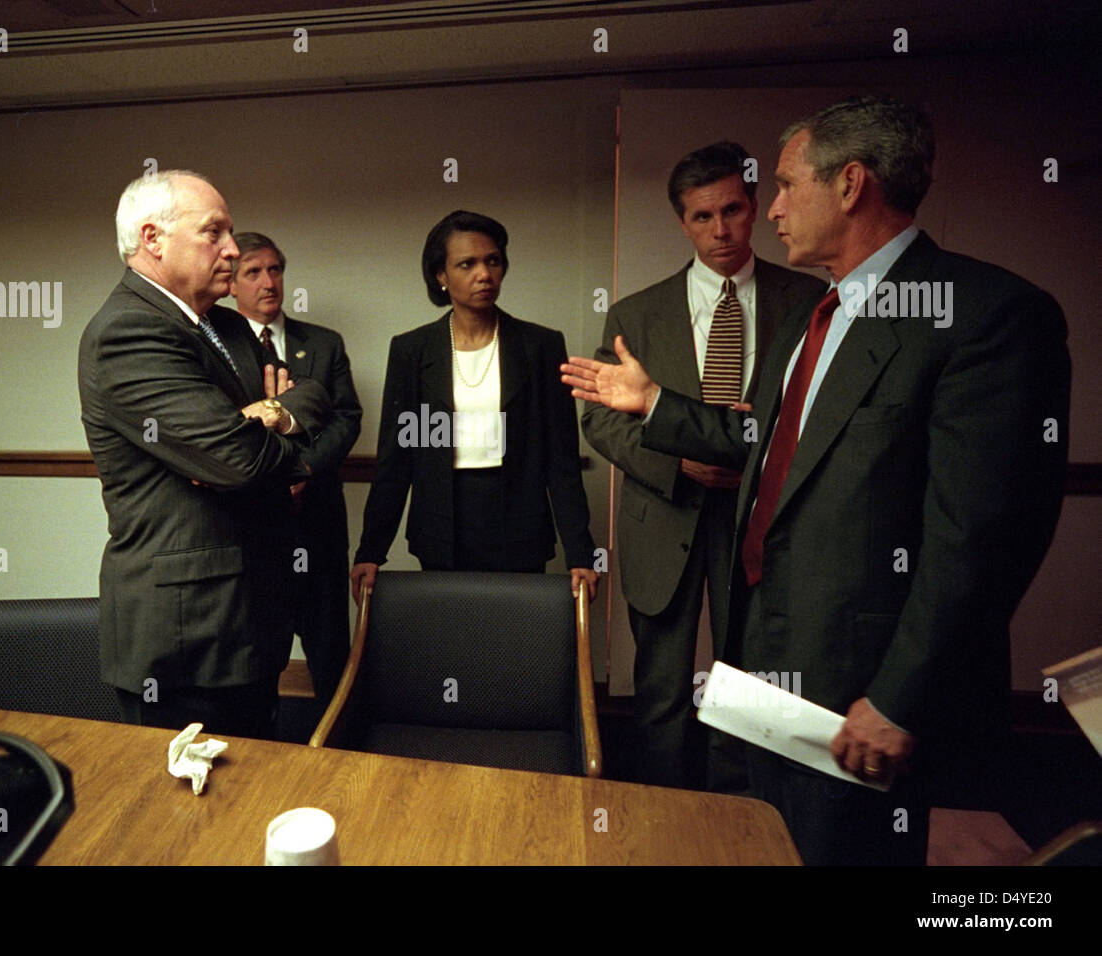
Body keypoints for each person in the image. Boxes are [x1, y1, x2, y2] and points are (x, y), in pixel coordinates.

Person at [562, 96, 1070, 864]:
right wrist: (655, 403)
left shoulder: (986, 316)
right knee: (778, 840)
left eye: (786, 186)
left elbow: (981, 542)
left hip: (866, 681)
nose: (769, 213)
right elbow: (766, 439)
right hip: (770, 653)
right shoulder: (817, 316)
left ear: (851, 184)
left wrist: (901, 699)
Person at [583, 142, 825, 792]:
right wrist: (678, 464)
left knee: (747, 694)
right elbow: (601, 419)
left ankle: (741, 828)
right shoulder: (635, 312)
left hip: (763, 524)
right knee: (661, 694)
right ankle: (664, 826)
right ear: (681, 222)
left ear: (754, 208)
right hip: (664, 519)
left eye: (733, 210)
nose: (720, 231)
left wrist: (752, 461)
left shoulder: (808, 301)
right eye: (701, 217)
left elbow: (825, 419)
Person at [78, 170, 329, 739]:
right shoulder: (126, 331)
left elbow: (313, 395)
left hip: (253, 621)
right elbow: (237, 460)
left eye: (231, 232)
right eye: (213, 232)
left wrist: (272, 414)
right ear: (152, 238)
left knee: (251, 803)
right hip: (186, 639)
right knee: (184, 816)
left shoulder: (230, 326)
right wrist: (255, 438)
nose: (234, 250)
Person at [352, 210, 598, 601]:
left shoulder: (541, 346)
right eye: (467, 264)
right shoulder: (412, 350)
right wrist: (371, 551)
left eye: (493, 261)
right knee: (450, 646)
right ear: (441, 276)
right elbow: (395, 461)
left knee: (515, 644)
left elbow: (561, 461)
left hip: (519, 520)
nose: (484, 274)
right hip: (442, 523)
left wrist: (581, 554)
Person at [217, 232, 362, 706]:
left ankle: (341, 757)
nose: (268, 281)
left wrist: (301, 471)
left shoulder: (323, 343)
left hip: (316, 520)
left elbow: (346, 418)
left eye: (275, 269)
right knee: (254, 658)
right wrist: (271, 479)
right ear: (232, 284)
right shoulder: (214, 348)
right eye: (253, 272)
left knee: (330, 653)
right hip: (249, 528)